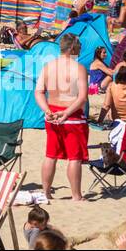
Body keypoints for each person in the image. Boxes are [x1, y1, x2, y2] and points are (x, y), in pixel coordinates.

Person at [34, 33, 89, 201]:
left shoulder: (49, 66)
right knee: (75, 157)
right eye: (79, 46)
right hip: (71, 116)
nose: (80, 49)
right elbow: (82, 98)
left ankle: (46, 192)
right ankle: (76, 195)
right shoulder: (78, 68)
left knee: (51, 155)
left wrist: (47, 110)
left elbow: (38, 92)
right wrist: (66, 113)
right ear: (72, 48)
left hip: (52, 115)